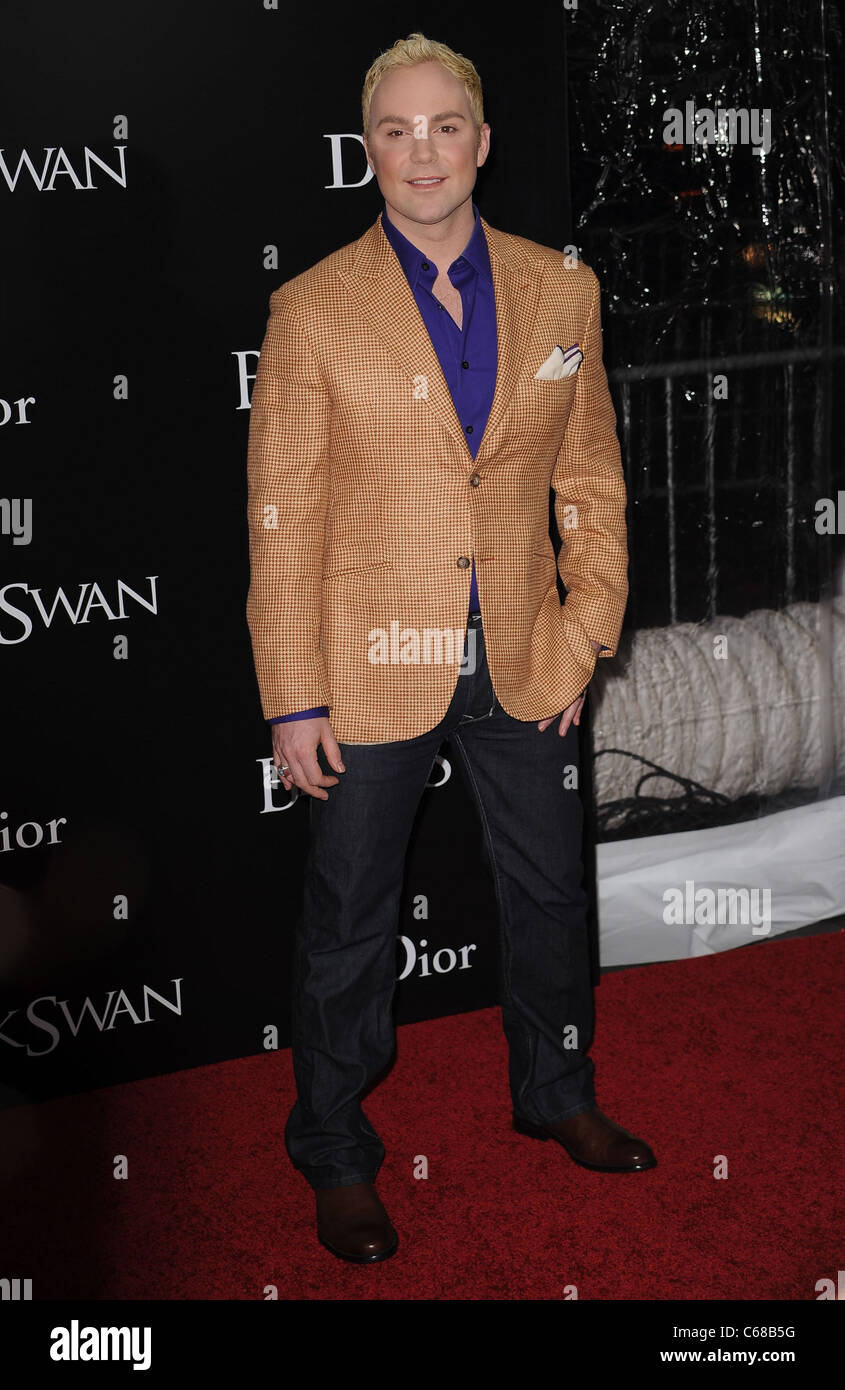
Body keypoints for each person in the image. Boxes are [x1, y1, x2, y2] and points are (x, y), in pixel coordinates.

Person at [245, 31, 656, 1265]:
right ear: (366, 149)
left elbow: (588, 475)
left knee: (545, 893)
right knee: (349, 914)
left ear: (481, 141)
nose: (420, 152)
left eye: (443, 127)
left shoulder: (559, 289)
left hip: (528, 649)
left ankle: (555, 1092)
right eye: (394, 130)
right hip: (368, 658)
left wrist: (587, 629)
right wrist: (292, 697)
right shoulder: (313, 307)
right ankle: (332, 1146)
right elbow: (282, 520)